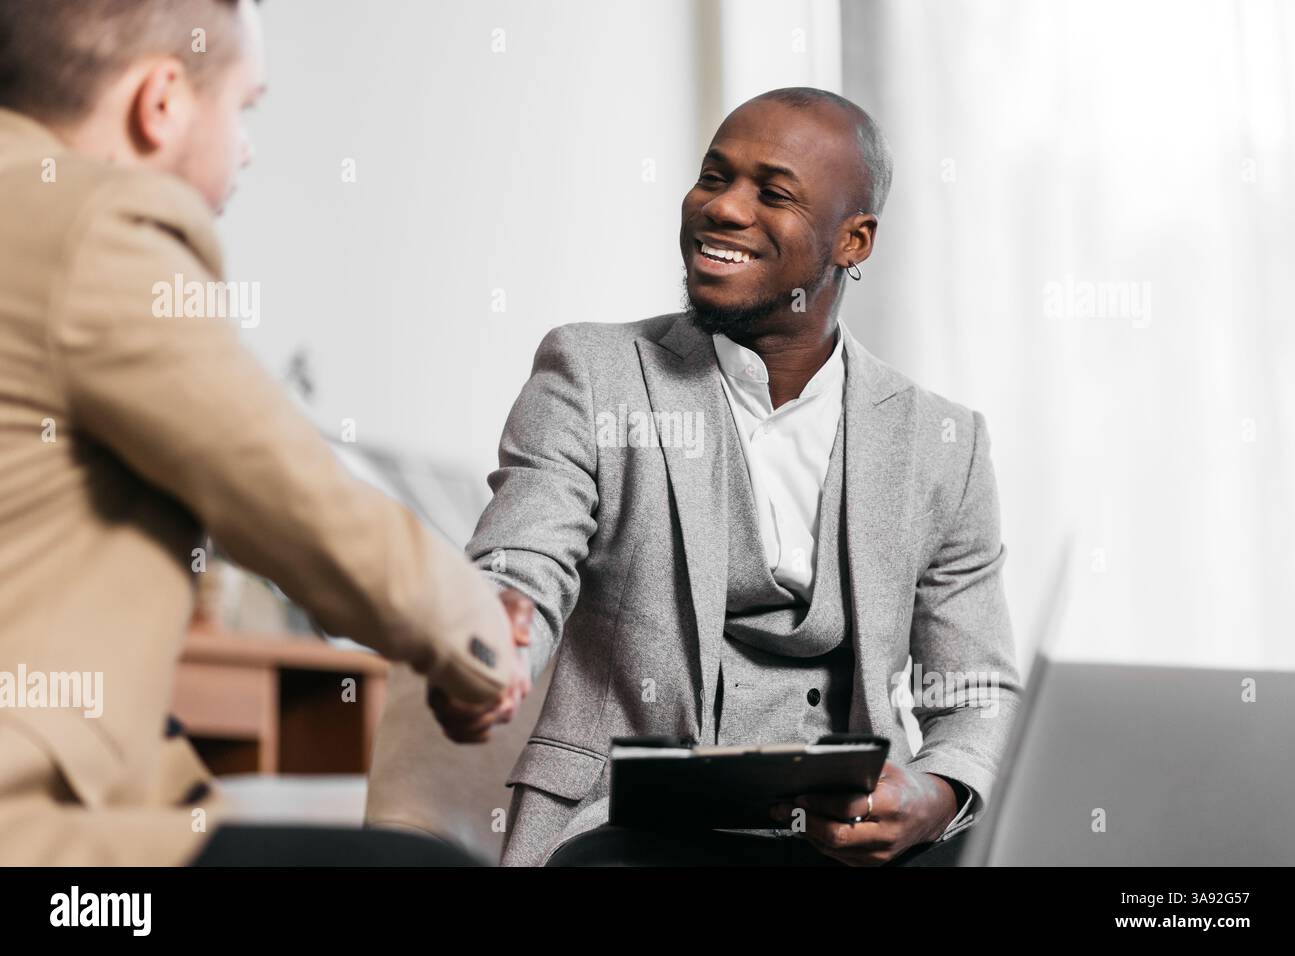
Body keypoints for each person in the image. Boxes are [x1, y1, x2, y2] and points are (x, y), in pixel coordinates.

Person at [372, 88, 1022, 866]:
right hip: (628, 829)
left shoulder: (939, 442)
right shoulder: (592, 374)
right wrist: (495, 630)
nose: (723, 208)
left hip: (845, 841)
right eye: (714, 177)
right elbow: (525, 559)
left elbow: (974, 691)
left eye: (771, 193)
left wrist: (934, 794)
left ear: (854, 241)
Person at [0, 0, 529, 866]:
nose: (245, 145)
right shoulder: (93, 231)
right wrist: (475, 640)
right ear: (161, 100)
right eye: (243, 108)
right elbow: (290, 498)